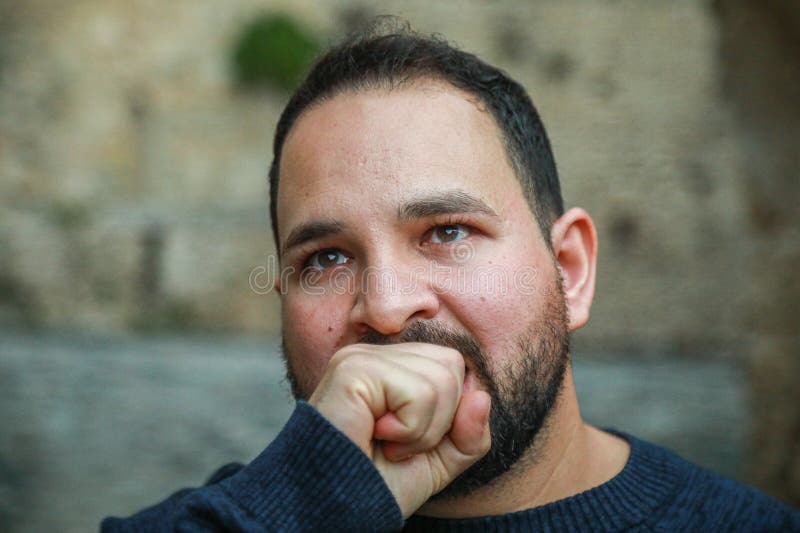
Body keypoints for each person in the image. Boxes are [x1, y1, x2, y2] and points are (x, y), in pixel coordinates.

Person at [102, 24, 800, 532]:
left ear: (570, 270)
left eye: (447, 232)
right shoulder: (244, 516)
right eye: (326, 259)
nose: (385, 307)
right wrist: (306, 505)